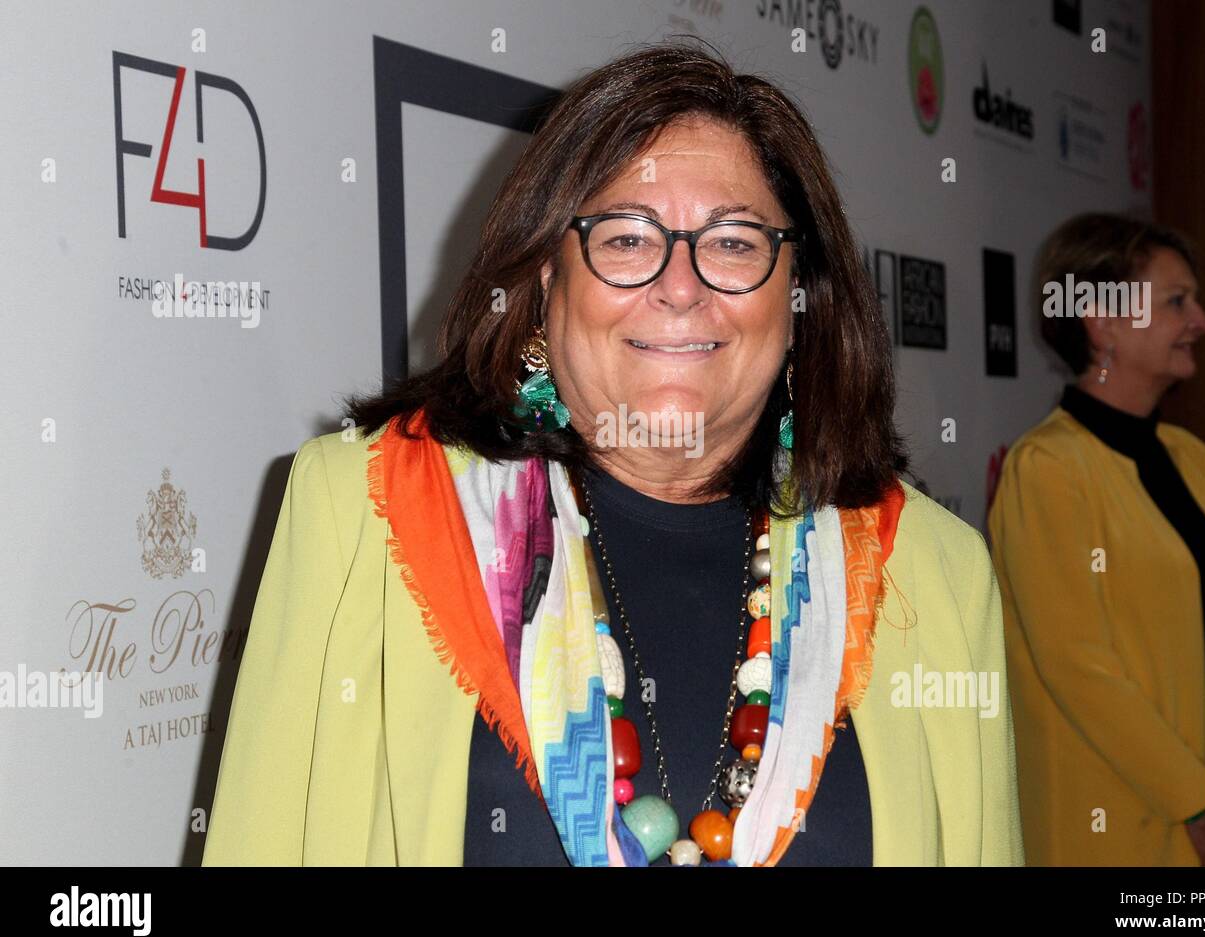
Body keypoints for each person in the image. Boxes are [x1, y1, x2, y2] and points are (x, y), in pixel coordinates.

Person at [202, 39, 1022, 867]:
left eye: (735, 242)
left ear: (801, 294)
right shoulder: (365, 514)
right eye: (627, 238)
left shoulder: (932, 569)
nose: (680, 283)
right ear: (544, 279)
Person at [989, 212, 1205, 866]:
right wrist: (1201, 804)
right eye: (1177, 301)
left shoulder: (1199, 463)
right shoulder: (1046, 470)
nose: (1203, 321)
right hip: (1123, 837)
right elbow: (1078, 668)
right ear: (1101, 323)